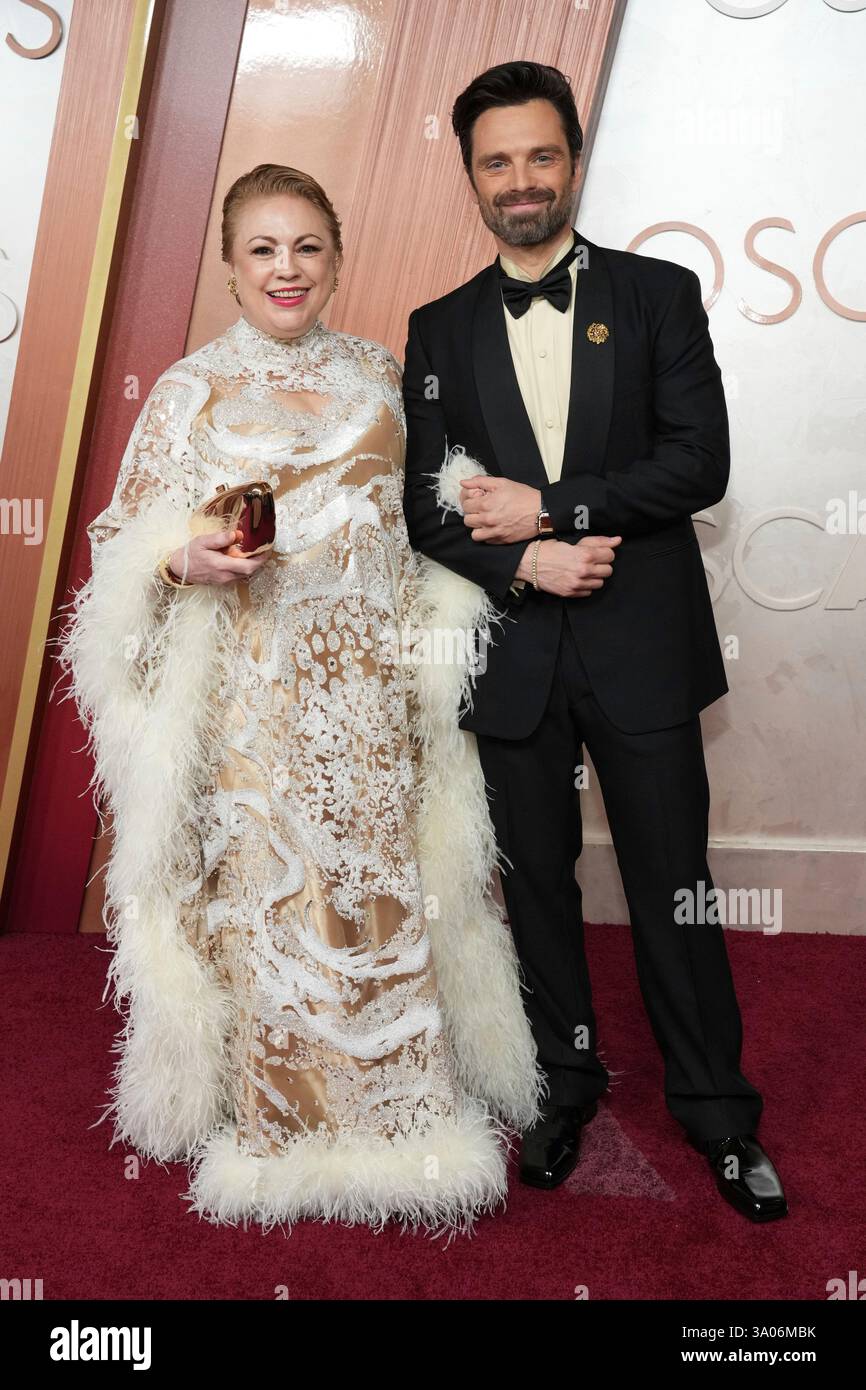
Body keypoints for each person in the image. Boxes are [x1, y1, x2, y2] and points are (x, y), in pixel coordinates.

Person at [56, 163, 543, 1236]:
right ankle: (275, 1119)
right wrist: (183, 556)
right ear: (231, 269)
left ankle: (402, 1113)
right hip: (251, 698)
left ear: (335, 259)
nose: (287, 269)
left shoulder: (381, 372)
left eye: (307, 247)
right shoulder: (190, 390)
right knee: (272, 903)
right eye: (263, 250)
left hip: (370, 694)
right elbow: (117, 545)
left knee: (380, 891)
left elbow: (437, 519)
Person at [402, 62, 787, 1222]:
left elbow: (696, 464)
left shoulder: (659, 293)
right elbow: (424, 509)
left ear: (572, 159)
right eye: (494, 161)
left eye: (538, 156)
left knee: (674, 885)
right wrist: (523, 559)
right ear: (469, 174)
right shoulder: (436, 327)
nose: (519, 181)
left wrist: (550, 509)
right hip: (513, 656)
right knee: (536, 890)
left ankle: (717, 1114)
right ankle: (562, 1083)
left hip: (641, 649)